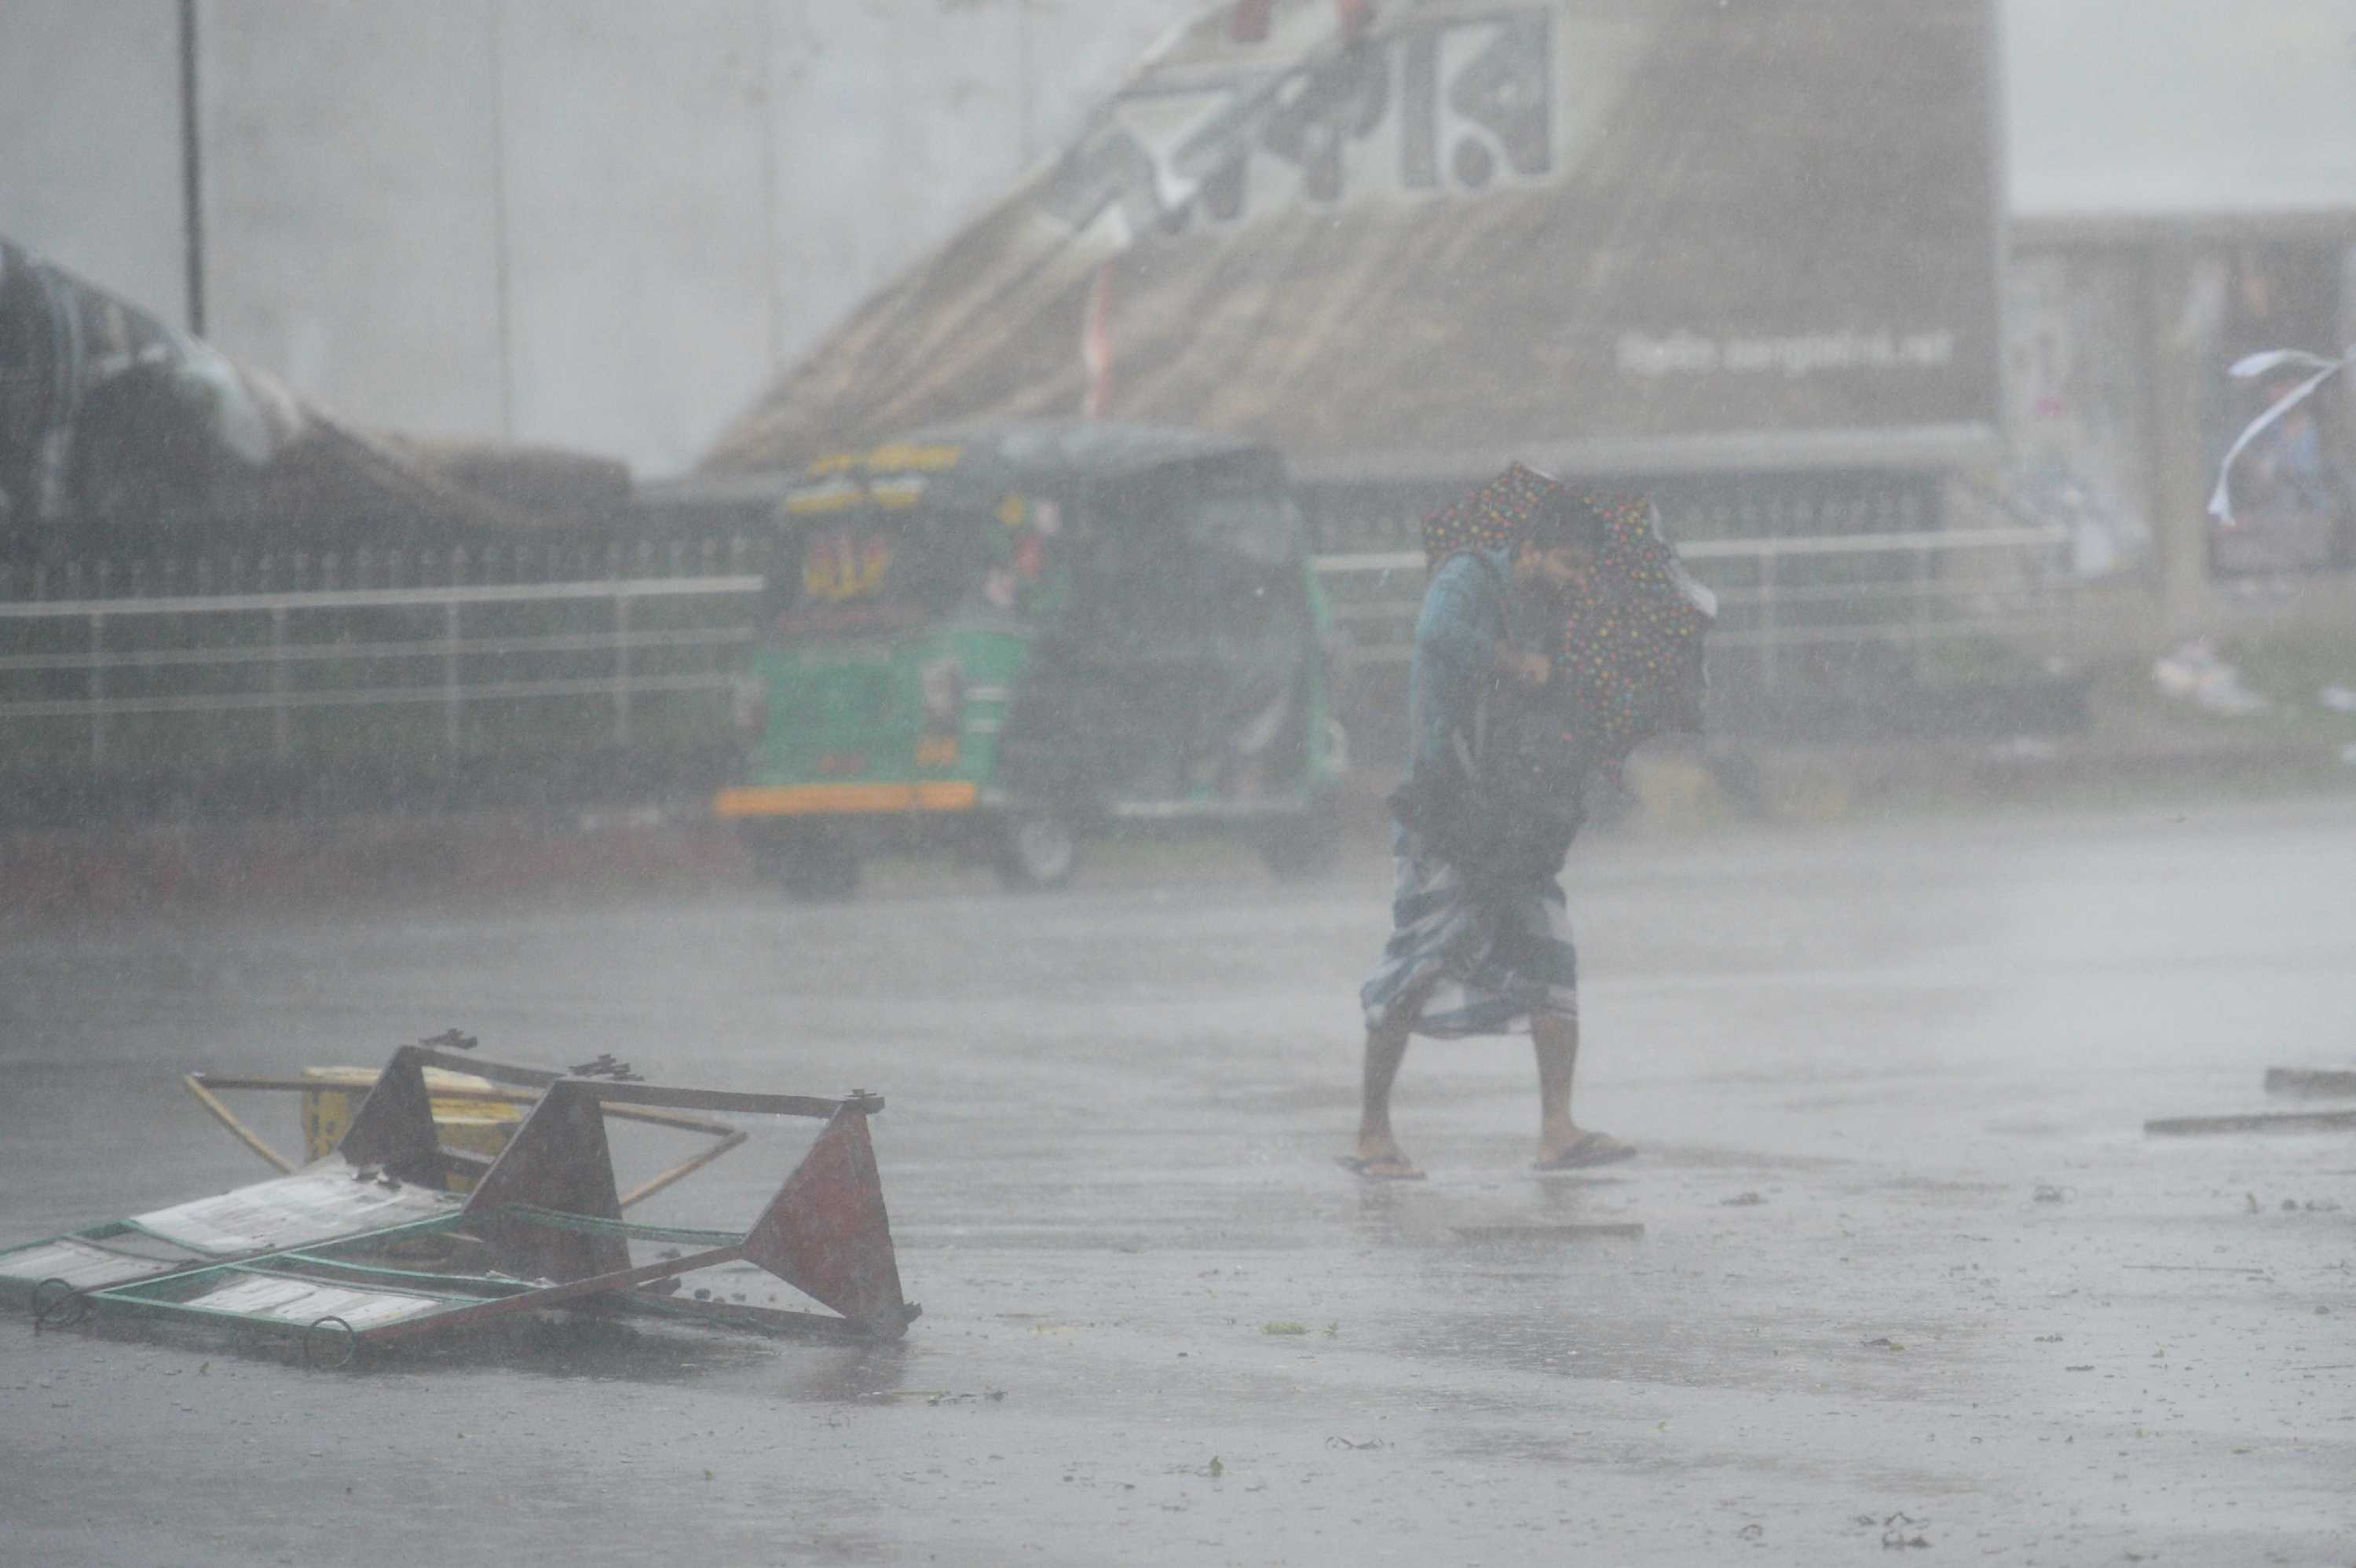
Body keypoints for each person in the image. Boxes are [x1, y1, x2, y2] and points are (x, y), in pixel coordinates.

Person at [1344, 492, 1634, 1179]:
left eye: (1586, 569)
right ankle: (1372, 1132)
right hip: (1447, 810)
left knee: (1551, 955)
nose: (1578, 579)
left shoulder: (1553, 611)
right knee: (1417, 961)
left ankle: (1558, 1130)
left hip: (1516, 818)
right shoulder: (1467, 580)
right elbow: (1437, 636)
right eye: (1569, 564)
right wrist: (1515, 662)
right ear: (1529, 550)